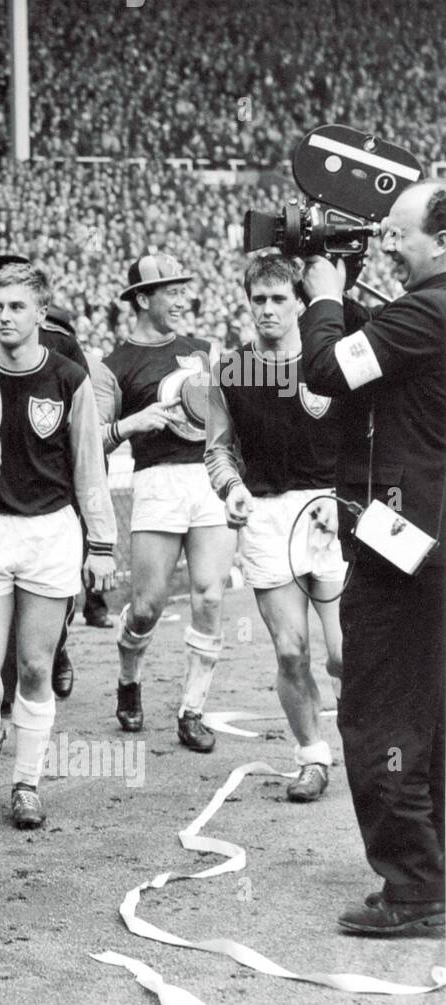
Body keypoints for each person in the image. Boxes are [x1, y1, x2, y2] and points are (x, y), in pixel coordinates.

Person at [299, 180, 446, 936]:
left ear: (441, 241)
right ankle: (433, 870)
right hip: (430, 543)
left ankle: (414, 889)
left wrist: (324, 298)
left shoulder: (432, 307)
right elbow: (385, 358)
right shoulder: (425, 311)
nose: (387, 243)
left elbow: (329, 370)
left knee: (382, 709)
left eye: (399, 233)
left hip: (407, 550)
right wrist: (345, 304)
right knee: (430, 713)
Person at [0, 261, 116, 829]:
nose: (4, 317)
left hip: (51, 531)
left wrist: (101, 545)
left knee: (33, 666)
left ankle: (26, 783)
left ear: (41, 314)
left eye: (16, 307)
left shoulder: (68, 379)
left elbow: (88, 471)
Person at [205, 252, 343, 802]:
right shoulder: (232, 369)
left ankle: (371, 743)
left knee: (343, 654)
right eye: (257, 299)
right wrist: (232, 489)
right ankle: (312, 757)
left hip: (329, 510)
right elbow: (217, 451)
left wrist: (350, 498)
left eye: (278, 299)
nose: (266, 309)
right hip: (265, 512)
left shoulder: (328, 360)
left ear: (299, 303)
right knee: (291, 651)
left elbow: (368, 437)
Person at [101, 254, 233, 753]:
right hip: (156, 482)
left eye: (184, 290)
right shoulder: (114, 366)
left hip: (209, 477)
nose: (182, 300)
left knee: (211, 595)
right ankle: (128, 677)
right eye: (169, 291)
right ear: (141, 298)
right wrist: (130, 424)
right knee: (146, 607)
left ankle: (192, 709)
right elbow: (90, 443)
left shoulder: (207, 349)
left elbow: (239, 413)